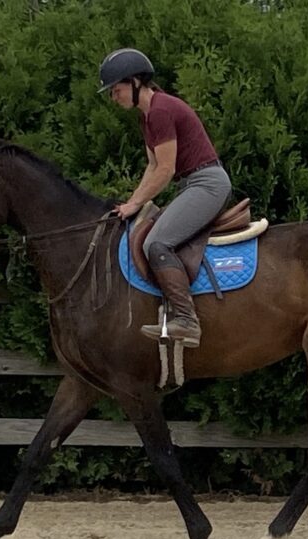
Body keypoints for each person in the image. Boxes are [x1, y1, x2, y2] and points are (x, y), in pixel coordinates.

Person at [99, 48, 232, 348]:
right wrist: (132, 203)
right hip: (193, 185)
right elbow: (153, 166)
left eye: (116, 90)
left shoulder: (160, 111)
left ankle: (186, 320)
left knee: (155, 242)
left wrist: (135, 203)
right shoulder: (147, 117)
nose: (113, 97)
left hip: (207, 184)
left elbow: (167, 170)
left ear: (134, 82)